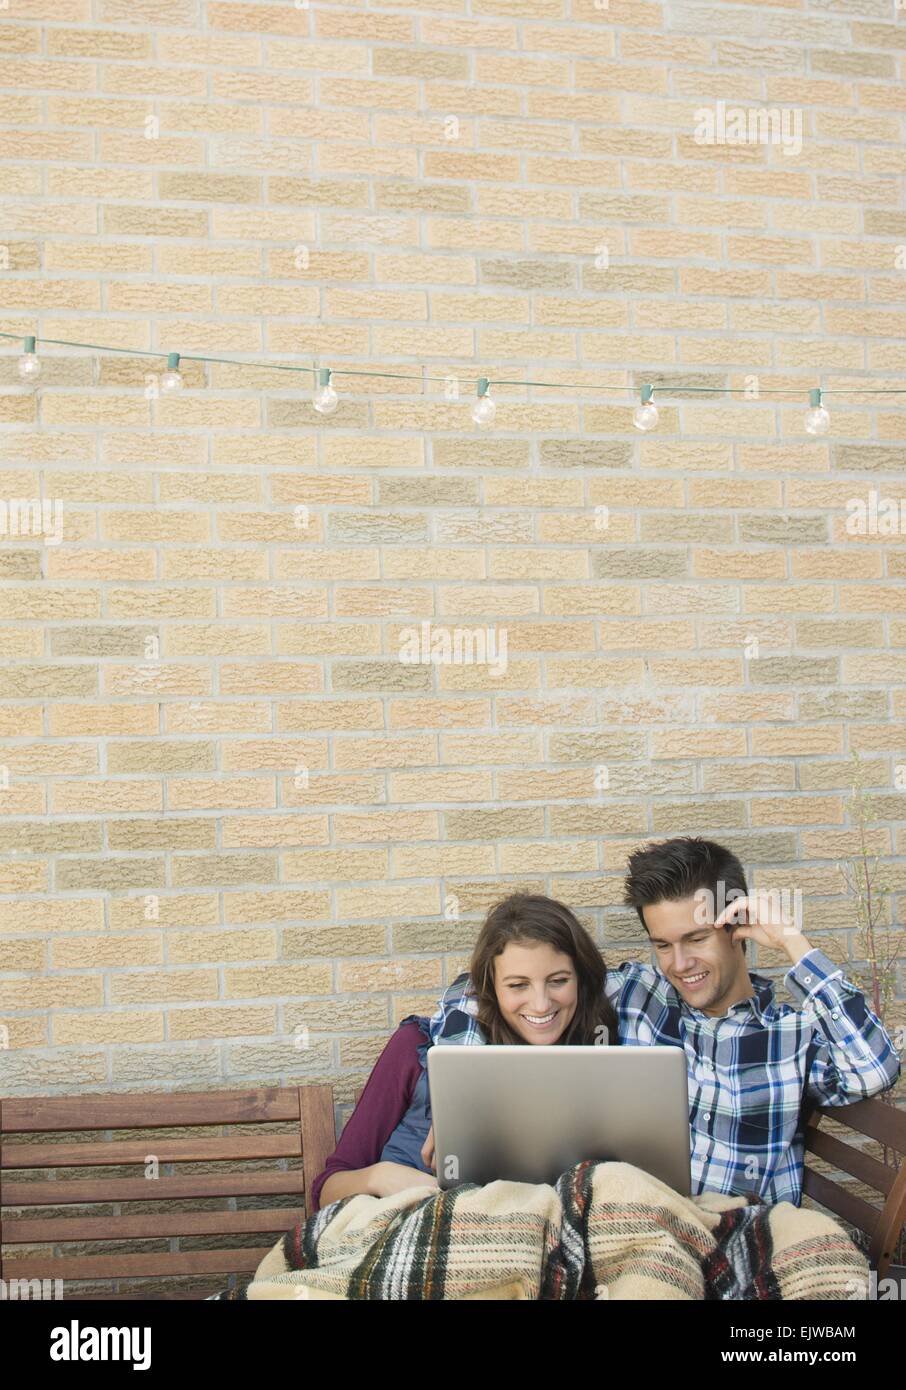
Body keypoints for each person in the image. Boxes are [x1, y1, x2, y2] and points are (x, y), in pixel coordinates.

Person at [427, 837, 901, 1206]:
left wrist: (794, 943)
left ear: (738, 927)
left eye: (696, 938)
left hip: (735, 1236)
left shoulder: (788, 1035)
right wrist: (457, 1097)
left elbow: (876, 1068)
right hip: (636, 1227)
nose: (679, 964)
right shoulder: (639, 995)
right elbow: (481, 993)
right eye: (662, 944)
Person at [313, 894, 618, 1209]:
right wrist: (380, 1177)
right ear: (490, 987)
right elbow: (326, 1191)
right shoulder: (415, 1046)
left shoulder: (601, 1064)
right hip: (413, 1226)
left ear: (580, 980)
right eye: (517, 985)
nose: (541, 1004)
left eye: (558, 981)